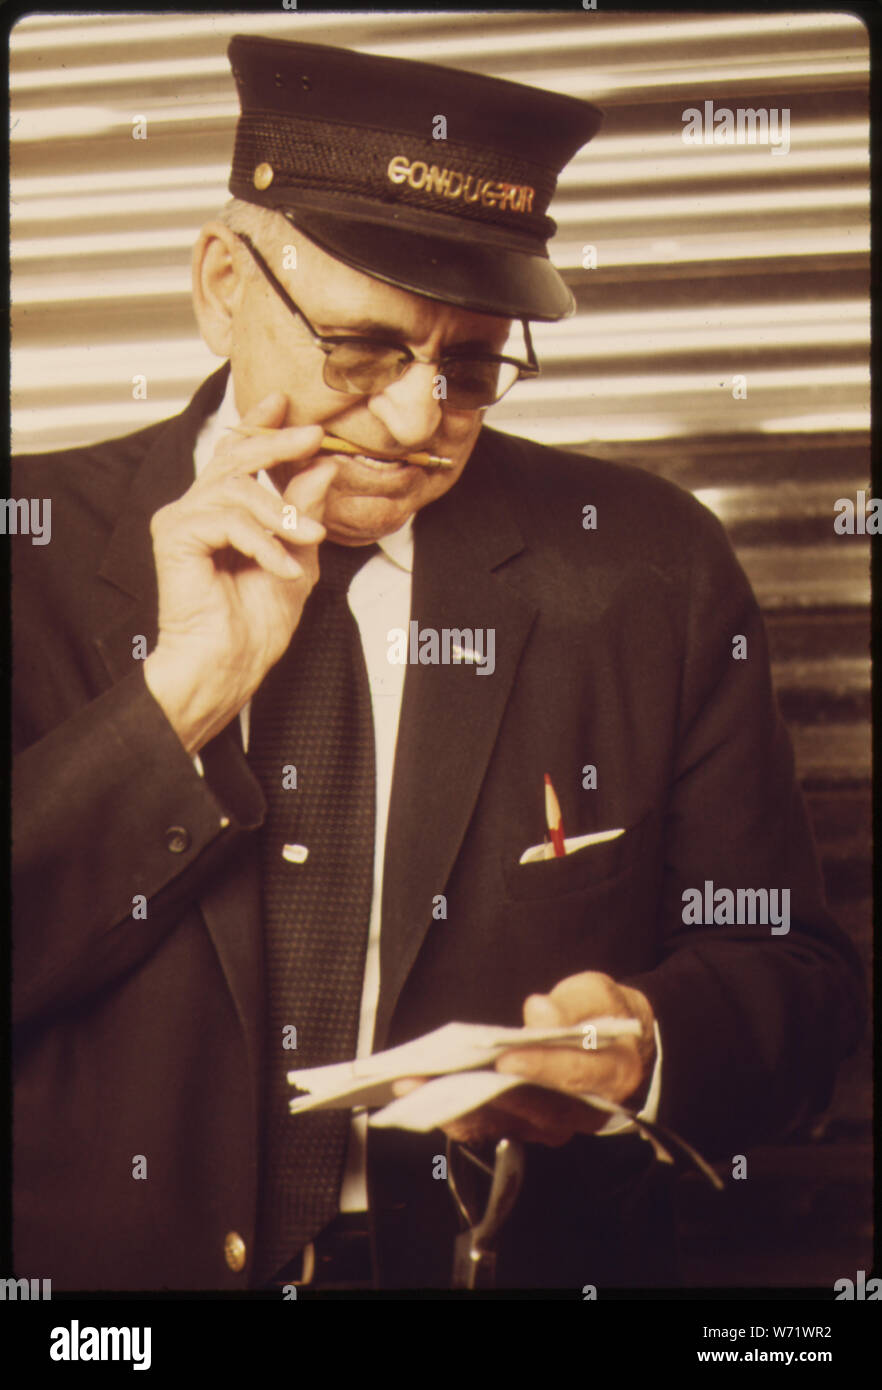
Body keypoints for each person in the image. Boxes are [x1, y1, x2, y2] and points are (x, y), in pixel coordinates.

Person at [11, 33, 865, 1293]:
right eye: (361, 348)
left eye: (471, 364)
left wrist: (647, 1043)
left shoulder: (649, 570)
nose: (418, 422)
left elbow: (797, 984)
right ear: (221, 285)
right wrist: (178, 696)